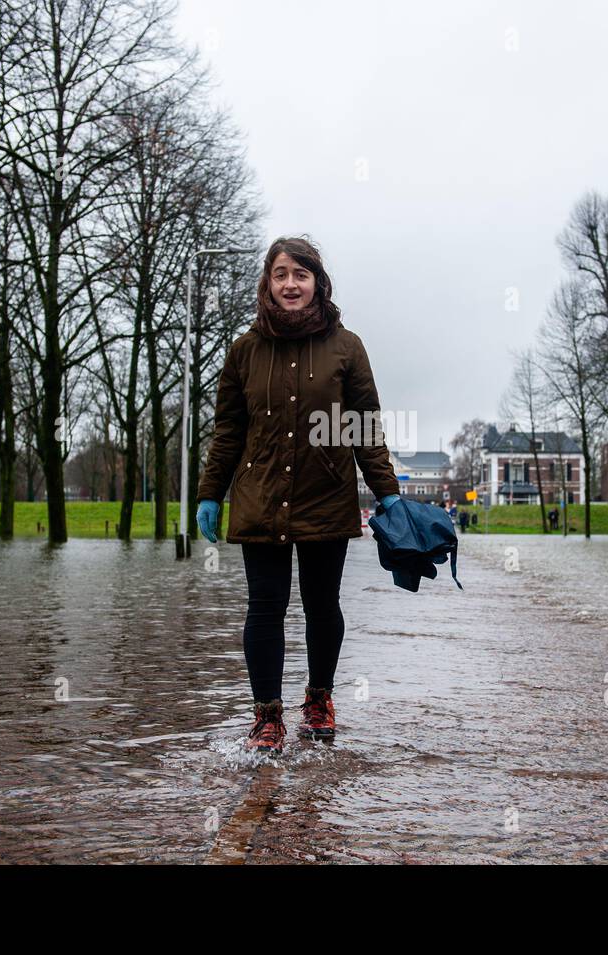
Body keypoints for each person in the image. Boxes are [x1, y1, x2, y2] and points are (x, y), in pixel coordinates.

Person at [195, 236, 402, 755]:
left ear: (318, 282)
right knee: (264, 607)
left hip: (325, 496)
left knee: (321, 604)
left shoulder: (346, 346)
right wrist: (210, 493)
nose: (291, 284)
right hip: (260, 496)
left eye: (301, 274)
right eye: (281, 274)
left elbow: (364, 427)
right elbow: (228, 430)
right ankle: (267, 715)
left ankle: (318, 700)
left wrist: (388, 493)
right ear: (268, 282)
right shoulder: (244, 349)